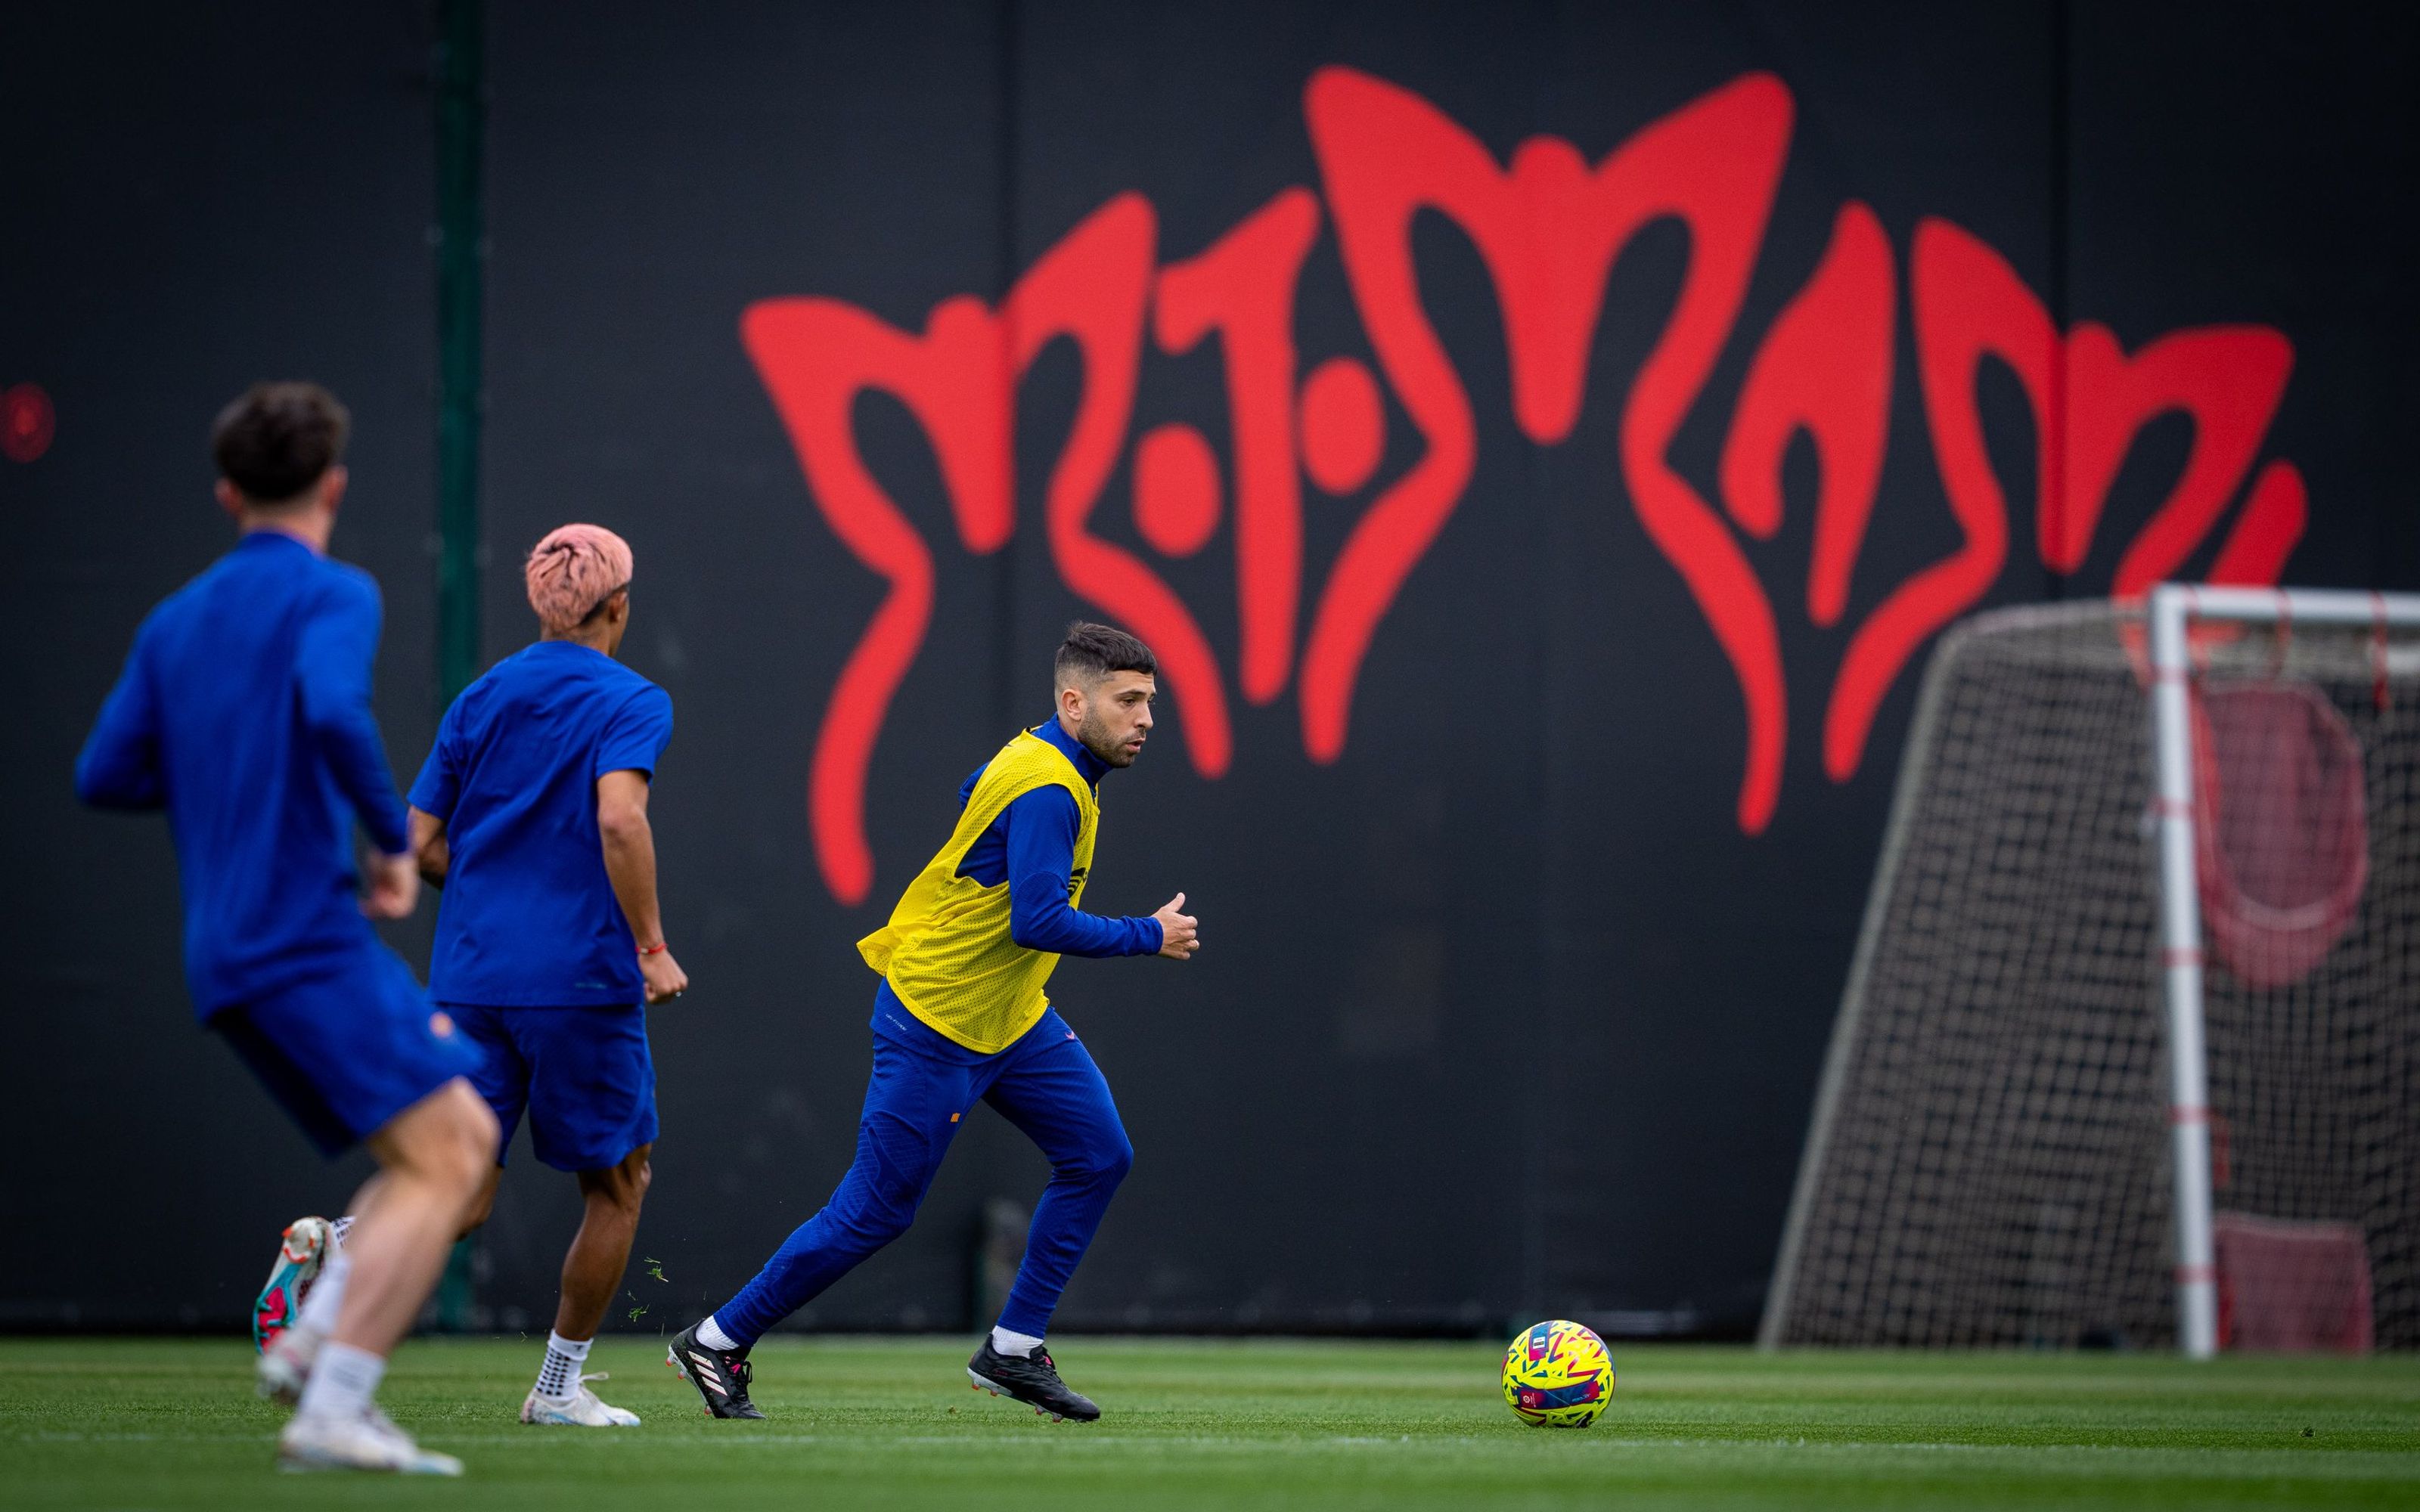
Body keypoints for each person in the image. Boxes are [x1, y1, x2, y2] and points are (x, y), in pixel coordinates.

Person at [76, 383, 497, 1476]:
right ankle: (334, 1400)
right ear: (335, 486)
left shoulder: (175, 621)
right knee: (461, 1150)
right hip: (300, 935)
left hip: (223, 951)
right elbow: (329, 706)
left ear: (227, 494)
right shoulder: (333, 592)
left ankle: (314, 1345)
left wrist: (226, 766)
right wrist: (390, 844)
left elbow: (107, 772)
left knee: (435, 1146)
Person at [667, 621, 1199, 1423]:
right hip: (938, 1017)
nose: (1145, 717)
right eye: (1127, 700)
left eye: (1148, 701)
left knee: (1098, 1153)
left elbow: (969, 801)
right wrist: (1146, 934)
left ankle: (1013, 1348)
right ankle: (715, 1338)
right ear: (1071, 700)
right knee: (876, 1209)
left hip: (1009, 1017)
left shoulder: (1036, 757)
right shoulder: (1050, 786)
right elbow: (1039, 920)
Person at [401, 522, 684, 1427]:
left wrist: (492, 888)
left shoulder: (480, 696)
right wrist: (650, 945)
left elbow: (417, 846)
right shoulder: (630, 697)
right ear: (619, 605)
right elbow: (619, 820)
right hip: (579, 983)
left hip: (470, 976)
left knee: (460, 1184)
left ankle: (339, 1246)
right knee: (617, 1183)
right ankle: (556, 1389)